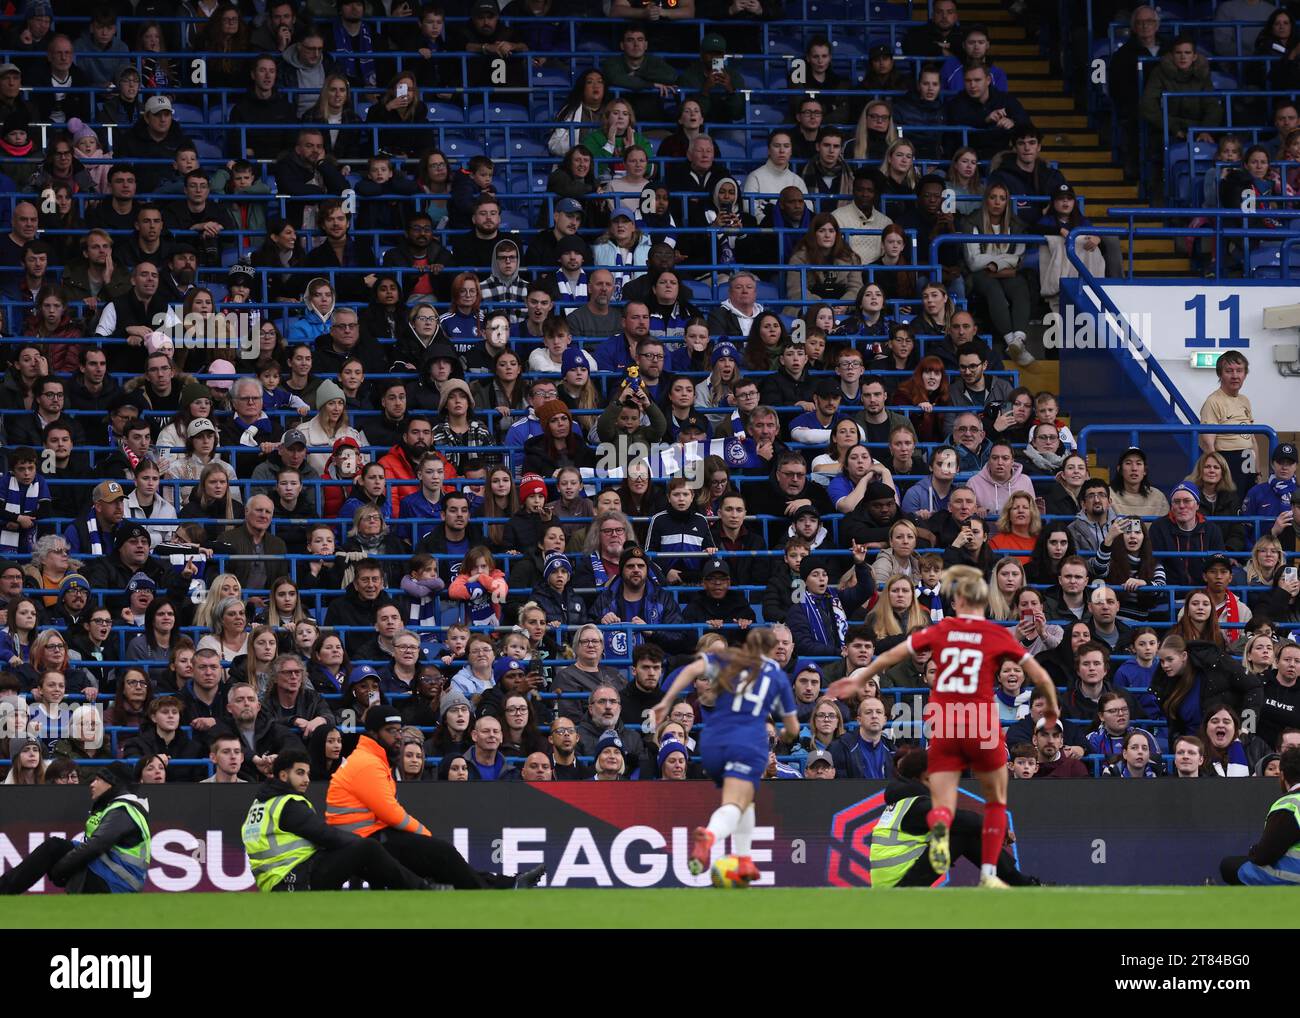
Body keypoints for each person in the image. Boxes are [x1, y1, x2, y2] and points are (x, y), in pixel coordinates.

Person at [828, 565, 1059, 888]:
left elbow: (887, 657)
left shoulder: (941, 630)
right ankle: (993, 875)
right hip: (980, 724)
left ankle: (1014, 880)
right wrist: (1051, 708)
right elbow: (1041, 676)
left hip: (945, 724)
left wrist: (859, 679)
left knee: (953, 816)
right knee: (991, 805)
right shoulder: (994, 634)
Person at [325, 704, 544, 889]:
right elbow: (391, 813)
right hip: (363, 841)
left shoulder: (370, 758)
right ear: (373, 733)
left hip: (368, 836)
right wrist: (423, 834)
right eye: (391, 731)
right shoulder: (367, 763)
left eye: (400, 730)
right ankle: (496, 887)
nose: (398, 737)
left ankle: (504, 883)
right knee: (442, 852)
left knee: (442, 858)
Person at [651, 628, 798, 885]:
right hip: (746, 741)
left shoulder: (730, 658)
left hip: (713, 739)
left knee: (745, 800)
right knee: (735, 803)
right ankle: (709, 836)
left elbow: (692, 669)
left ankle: (743, 859)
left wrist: (667, 700)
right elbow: (794, 728)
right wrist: (784, 733)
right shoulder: (776, 675)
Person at [241, 748, 436, 892]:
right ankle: (421, 889)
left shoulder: (261, 804)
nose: (307, 779)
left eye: (308, 773)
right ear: (283, 775)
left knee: (360, 853)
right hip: (297, 878)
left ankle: (391, 890)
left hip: (280, 881)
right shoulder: (288, 804)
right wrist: (361, 843)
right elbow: (326, 835)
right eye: (300, 773)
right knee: (367, 848)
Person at [869, 746, 1040, 888]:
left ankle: (1021, 882)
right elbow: (964, 819)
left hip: (892, 882)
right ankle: (1022, 883)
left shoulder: (906, 802)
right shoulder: (917, 806)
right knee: (963, 833)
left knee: (964, 829)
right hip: (898, 887)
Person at [0, 762, 150, 895]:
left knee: (54, 847)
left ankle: (3, 890)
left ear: (112, 783)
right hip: (115, 878)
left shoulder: (123, 809)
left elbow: (95, 846)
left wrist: (61, 869)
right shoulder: (122, 808)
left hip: (116, 883)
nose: (92, 784)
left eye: (98, 779)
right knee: (58, 849)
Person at [1221, 747, 1300, 885]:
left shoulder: (1289, 804)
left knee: (1230, 865)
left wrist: (1253, 851)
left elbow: (1265, 855)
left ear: (1282, 775)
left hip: (1294, 874)